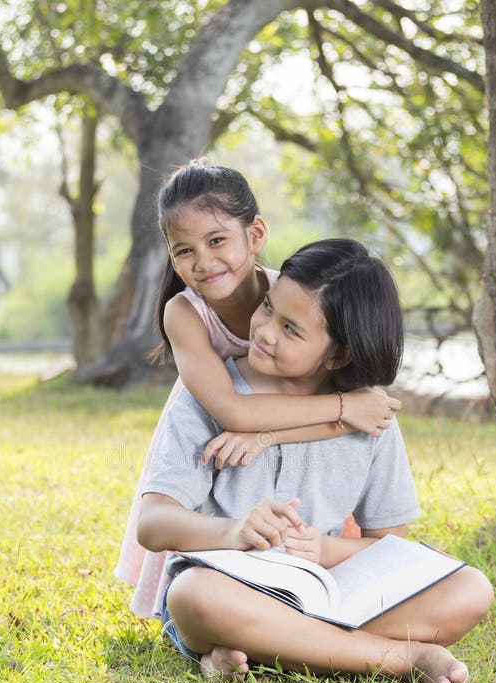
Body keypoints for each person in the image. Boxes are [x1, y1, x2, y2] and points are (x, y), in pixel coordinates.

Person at [137, 239, 494, 683]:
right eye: (268, 307)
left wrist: (323, 550)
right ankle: (400, 658)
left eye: (291, 329)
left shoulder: (368, 415)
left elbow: (390, 545)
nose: (264, 331)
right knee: (192, 597)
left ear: (338, 355)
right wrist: (233, 532)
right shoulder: (209, 393)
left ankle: (264, 646)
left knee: (469, 588)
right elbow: (152, 524)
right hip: (228, 582)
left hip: (321, 588)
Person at [115, 161, 400, 618]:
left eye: (216, 240)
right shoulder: (184, 313)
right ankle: (196, 613)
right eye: (183, 250)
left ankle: (264, 613)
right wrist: (346, 407)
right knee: (189, 521)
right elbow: (232, 413)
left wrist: (267, 438)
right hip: (215, 404)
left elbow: (335, 416)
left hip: (290, 417)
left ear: (255, 234)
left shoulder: (290, 290)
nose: (204, 262)